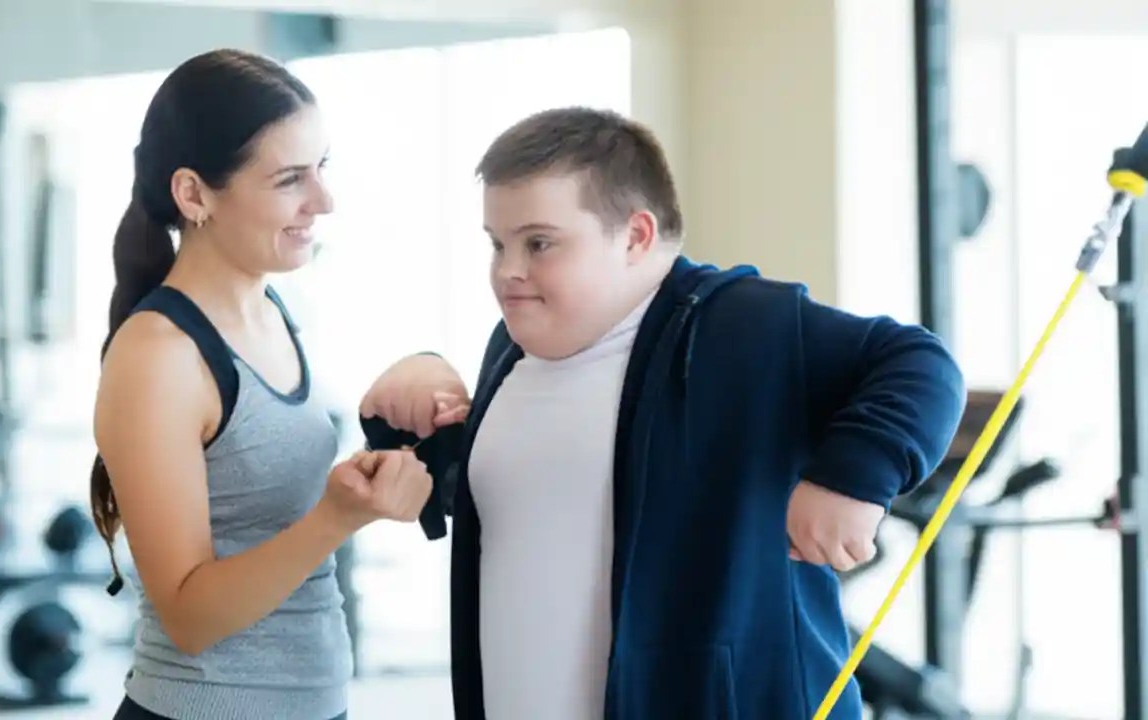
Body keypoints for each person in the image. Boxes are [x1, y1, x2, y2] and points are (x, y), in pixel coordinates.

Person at [359, 107, 967, 719]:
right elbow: (519, 502)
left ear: (636, 236)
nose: (508, 270)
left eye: (539, 243)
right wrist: (415, 413)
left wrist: (852, 479)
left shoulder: (744, 325)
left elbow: (921, 365)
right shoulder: (512, 347)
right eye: (498, 244)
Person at [90, 49, 462, 720]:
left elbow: (267, 504)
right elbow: (189, 616)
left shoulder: (274, 313)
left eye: (322, 168)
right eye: (291, 178)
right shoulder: (158, 356)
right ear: (194, 194)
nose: (323, 200)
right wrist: (337, 518)